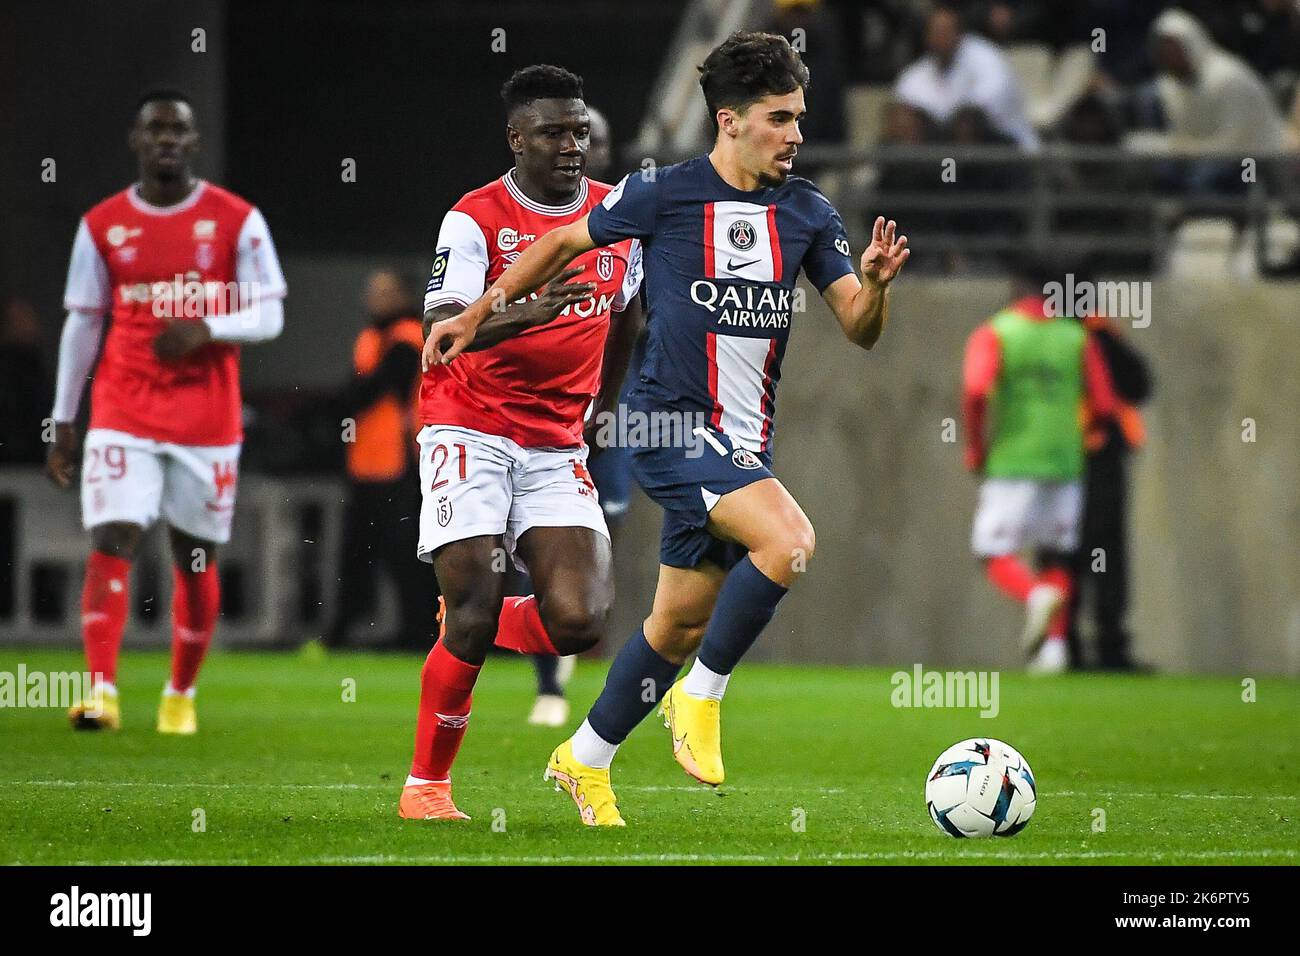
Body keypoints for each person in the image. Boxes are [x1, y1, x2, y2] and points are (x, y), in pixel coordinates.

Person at [425, 32, 910, 826]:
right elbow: (559, 241)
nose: (796, 134)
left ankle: (583, 759)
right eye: (780, 118)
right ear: (729, 121)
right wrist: (480, 311)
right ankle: (701, 698)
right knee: (788, 541)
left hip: (742, 442)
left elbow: (858, 325)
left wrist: (880, 288)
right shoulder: (665, 194)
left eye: (800, 118)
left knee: (676, 623)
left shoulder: (810, 213)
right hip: (668, 427)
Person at [398, 65, 644, 821]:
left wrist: (604, 408)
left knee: (580, 622)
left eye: (579, 131)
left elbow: (628, 318)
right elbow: (446, 334)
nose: (572, 145)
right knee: (470, 612)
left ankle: (475, 613)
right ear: (517, 139)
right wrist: (531, 310)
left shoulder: (615, 217)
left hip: (555, 442)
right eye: (554, 133)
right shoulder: (474, 219)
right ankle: (426, 788)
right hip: (467, 423)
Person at [45, 90, 287, 733]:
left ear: (194, 142)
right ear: (136, 142)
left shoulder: (236, 219)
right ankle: (100, 691)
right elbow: (83, 323)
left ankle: (180, 693)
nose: (166, 140)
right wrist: (64, 421)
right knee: (114, 535)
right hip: (123, 408)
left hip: (206, 419)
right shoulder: (102, 225)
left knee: (194, 554)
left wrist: (206, 327)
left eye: (178, 130)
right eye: (154, 130)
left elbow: (270, 313)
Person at [962, 256, 1116, 673]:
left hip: (1014, 460)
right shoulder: (1075, 337)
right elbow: (1104, 404)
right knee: (1057, 558)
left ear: (1015, 295)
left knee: (990, 551)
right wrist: (1089, 435)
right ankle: (1055, 650)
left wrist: (976, 446)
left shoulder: (997, 331)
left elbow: (977, 390)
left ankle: (1033, 597)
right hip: (1066, 465)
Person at [323, 268, 431, 651]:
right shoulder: (372, 338)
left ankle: (418, 633)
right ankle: (341, 633)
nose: (374, 300)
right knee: (358, 554)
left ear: (403, 296)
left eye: (384, 292)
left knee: (404, 554)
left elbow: (371, 390)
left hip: (400, 465)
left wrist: (327, 404)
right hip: (367, 465)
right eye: (372, 292)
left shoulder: (407, 338)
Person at [1071, 307, 1152, 671]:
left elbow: (1138, 383)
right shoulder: (1094, 333)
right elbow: (1136, 384)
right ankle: (1104, 646)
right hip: (1089, 455)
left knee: (1072, 551)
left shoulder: (1096, 332)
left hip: (1073, 457)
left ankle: (1073, 646)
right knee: (1100, 551)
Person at [893, 2, 1038, 150]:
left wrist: (940, 118)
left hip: (1007, 150)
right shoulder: (918, 72)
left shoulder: (987, 58)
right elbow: (906, 101)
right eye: (935, 31)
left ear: (960, 34)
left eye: (945, 31)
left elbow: (983, 109)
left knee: (966, 123)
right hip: (946, 158)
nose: (940, 37)